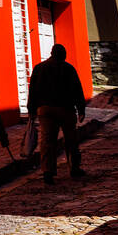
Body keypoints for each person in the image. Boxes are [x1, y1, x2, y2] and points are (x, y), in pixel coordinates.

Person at [27, 43, 87, 184]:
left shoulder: (39, 68)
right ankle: (74, 168)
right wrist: (81, 110)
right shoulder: (69, 69)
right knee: (71, 140)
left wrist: (31, 110)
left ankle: (48, 171)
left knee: (47, 141)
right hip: (66, 109)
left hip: (45, 110)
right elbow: (77, 90)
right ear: (63, 55)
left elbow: (33, 91)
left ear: (51, 53)